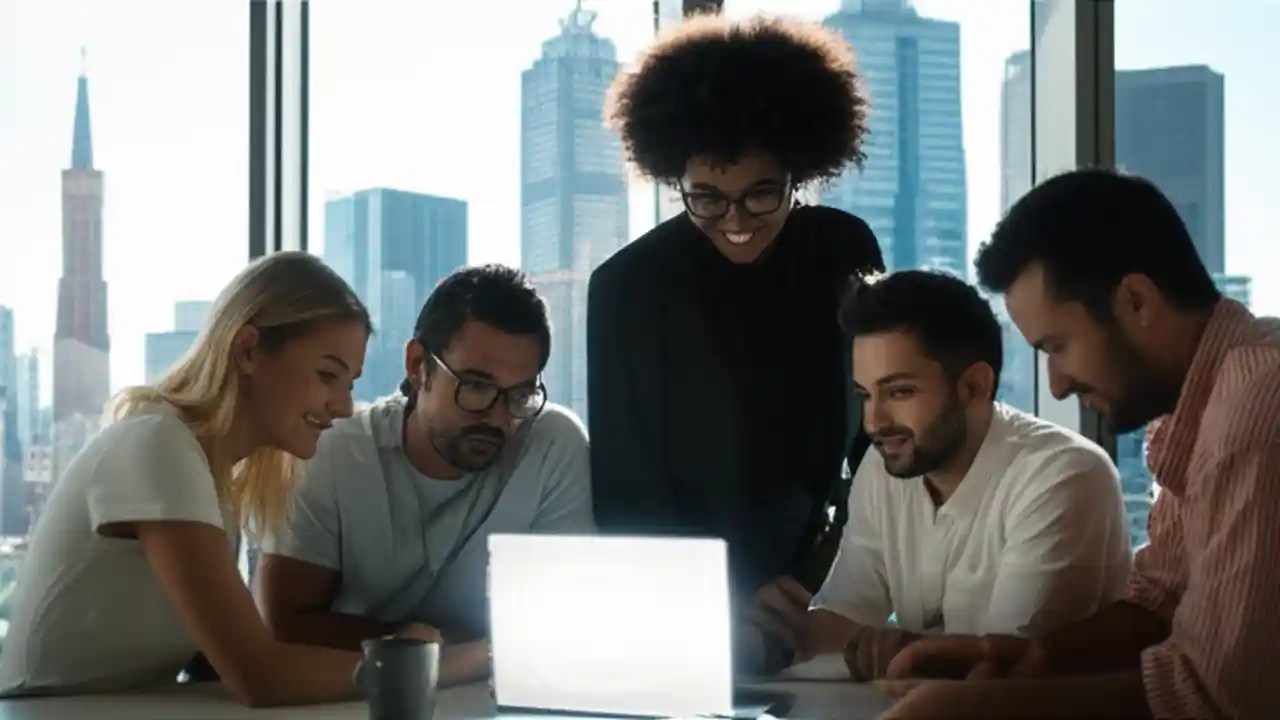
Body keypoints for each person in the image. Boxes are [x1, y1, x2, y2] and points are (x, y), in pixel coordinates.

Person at [882, 169, 1280, 719]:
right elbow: (1160, 601)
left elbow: (1215, 698)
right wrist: (1027, 658)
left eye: (1057, 346)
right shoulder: (1203, 409)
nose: (1057, 384)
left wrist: (981, 710)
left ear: (1136, 301)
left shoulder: (1256, 409)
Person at [0, 252, 434, 706]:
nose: (344, 407)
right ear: (247, 350)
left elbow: (222, 662)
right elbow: (261, 675)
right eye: (327, 375)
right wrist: (437, 664)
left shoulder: (213, 482)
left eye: (349, 384)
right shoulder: (157, 446)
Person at [589, 13, 885, 672]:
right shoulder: (627, 288)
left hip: (831, 584)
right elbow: (627, 487)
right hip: (684, 606)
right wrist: (713, 605)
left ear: (799, 172)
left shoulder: (844, 249)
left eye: (761, 196)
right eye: (707, 199)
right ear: (674, 180)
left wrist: (819, 581)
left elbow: (868, 440)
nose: (737, 222)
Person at [256, 264, 593, 685]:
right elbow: (284, 626)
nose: (498, 417)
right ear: (418, 366)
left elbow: (564, 627)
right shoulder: (334, 451)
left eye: (521, 394)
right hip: (354, 701)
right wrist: (443, 647)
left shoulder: (551, 444)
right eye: (475, 386)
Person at [800, 270, 1129, 681]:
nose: (874, 422)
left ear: (973, 387)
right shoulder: (886, 467)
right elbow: (838, 621)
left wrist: (895, 648)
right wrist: (779, 633)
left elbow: (1006, 670)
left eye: (900, 392)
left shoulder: (1062, 475)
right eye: (865, 395)